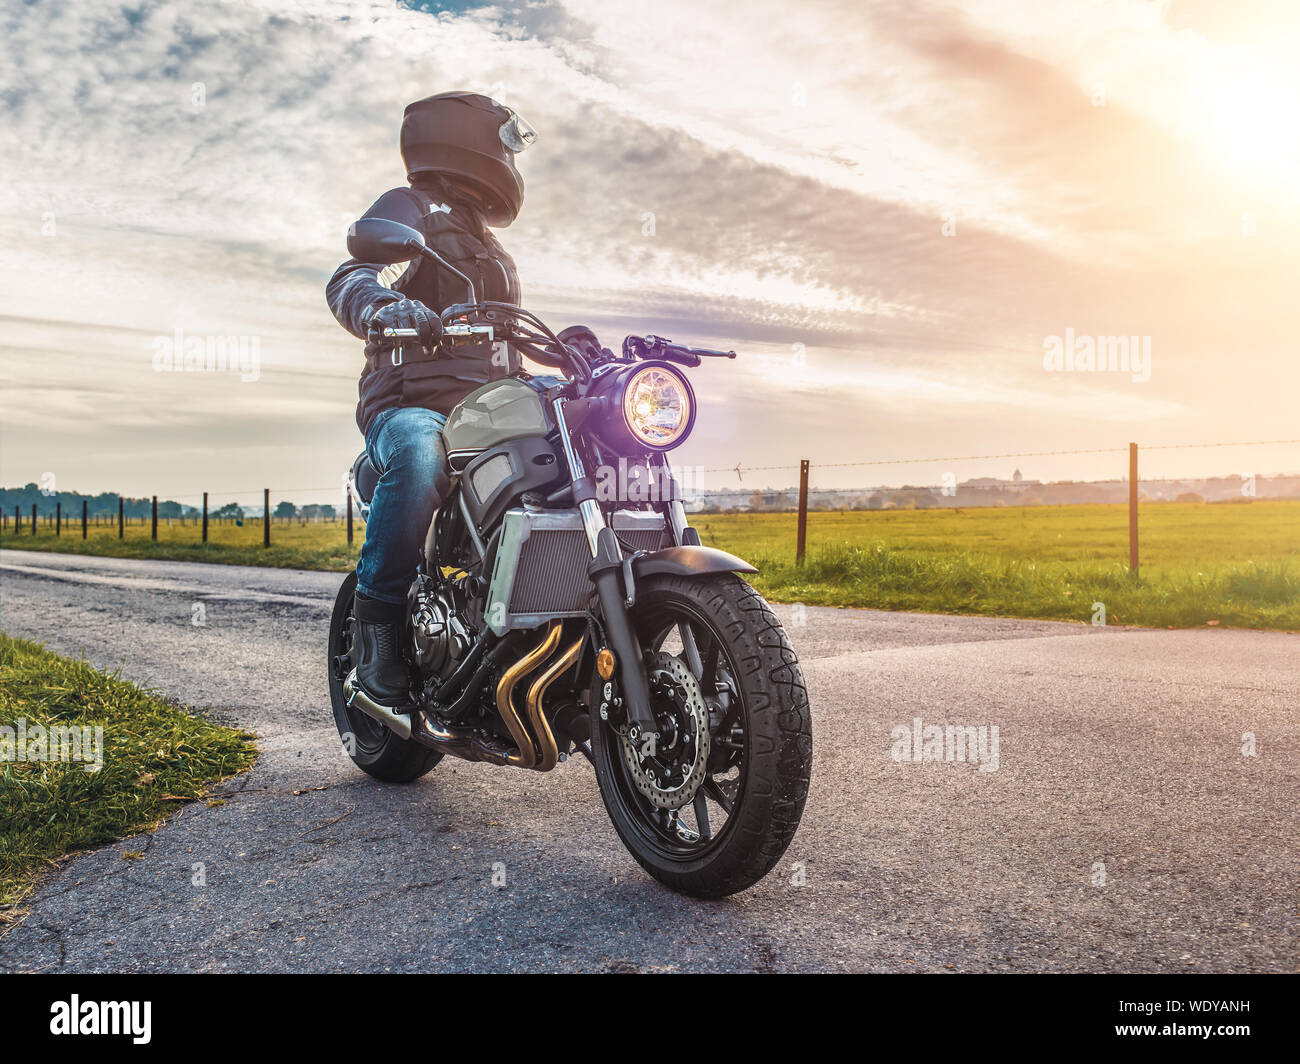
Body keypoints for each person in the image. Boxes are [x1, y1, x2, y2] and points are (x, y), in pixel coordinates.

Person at [326, 91, 537, 706]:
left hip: (490, 411)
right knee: (421, 456)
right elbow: (354, 277)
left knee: (582, 435)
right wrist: (385, 306)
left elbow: (506, 335)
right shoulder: (409, 210)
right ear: (467, 138)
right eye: (504, 142)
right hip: (412, 406)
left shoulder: (490, 246)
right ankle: (380, 628)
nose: (508, 156)